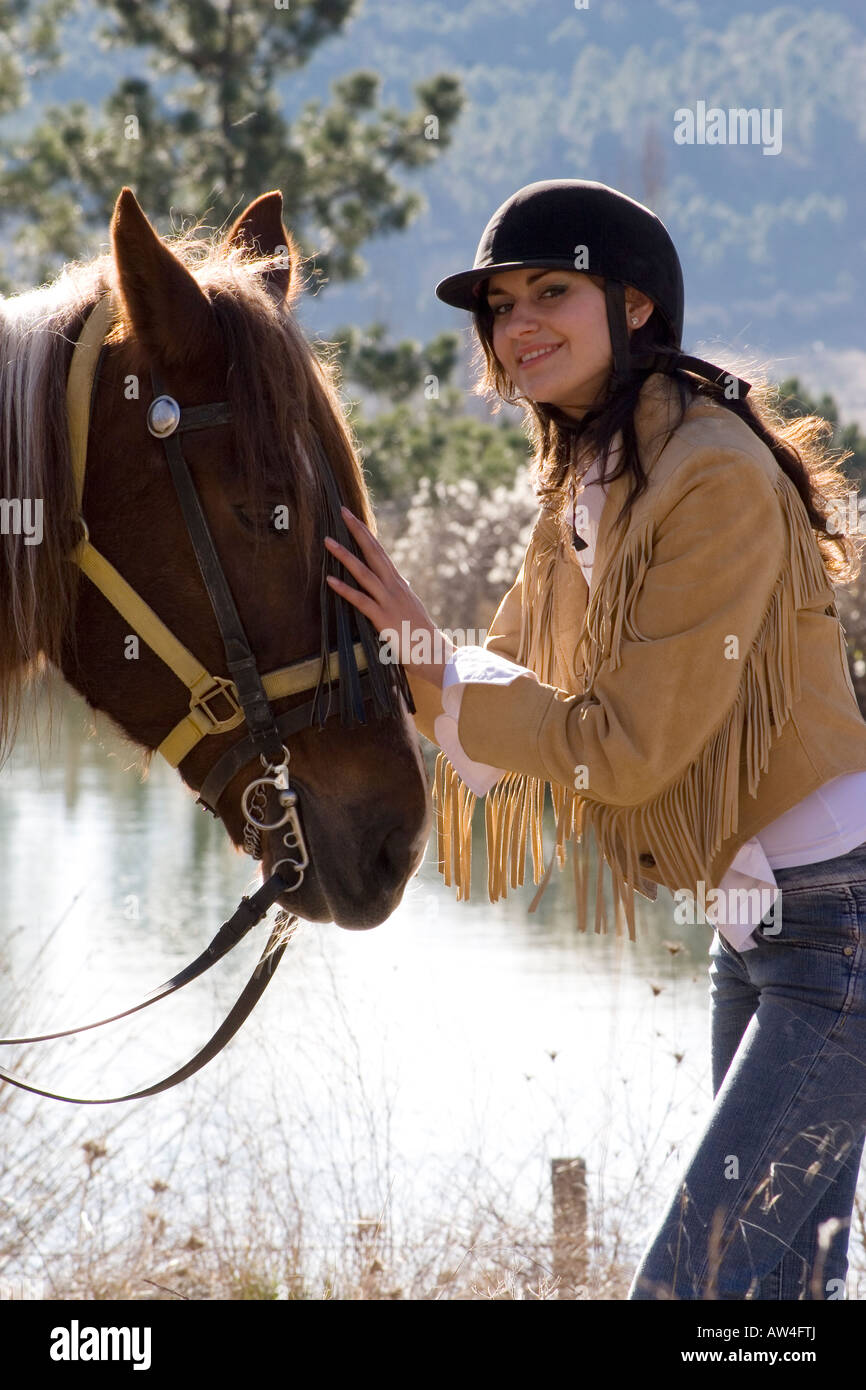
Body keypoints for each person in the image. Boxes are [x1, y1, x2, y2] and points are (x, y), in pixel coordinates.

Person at [322, 179, 866, 1300]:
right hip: (758, 921)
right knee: (778, 1297)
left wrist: (436, 663)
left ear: (632, 308)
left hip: (838, 934)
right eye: (499, 305)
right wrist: (386, 668)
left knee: (686, 1288)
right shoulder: (592, 478)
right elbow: (532, 682)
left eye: (549, 292)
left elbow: (619, 744)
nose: (515, 324)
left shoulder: (707, 473)